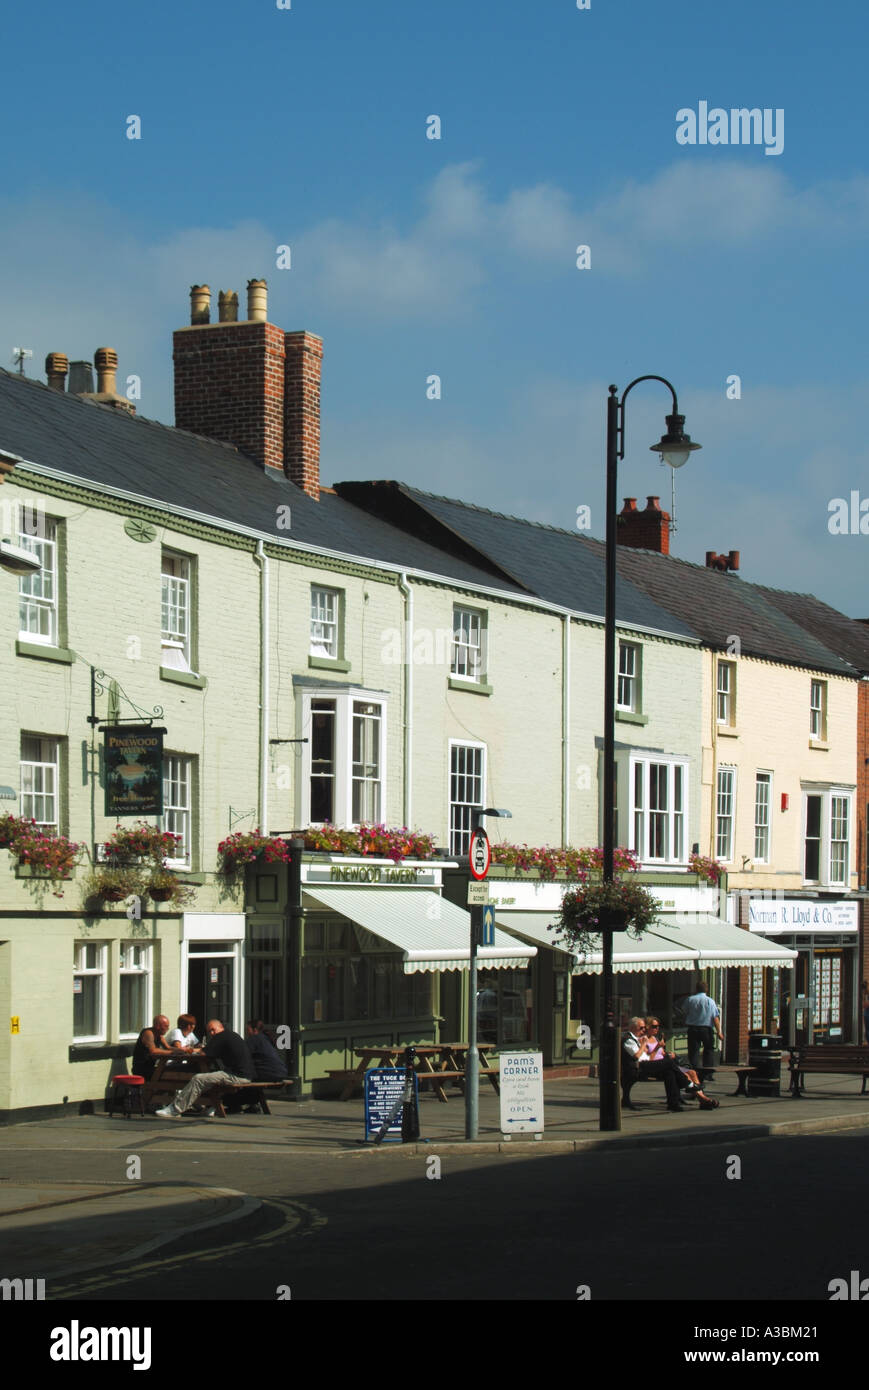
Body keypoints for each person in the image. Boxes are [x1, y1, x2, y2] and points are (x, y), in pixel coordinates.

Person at [155, 1019, 256, 1118]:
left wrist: (191, 1050)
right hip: (245, 1074)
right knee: (209, 1075)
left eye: (213, 1029)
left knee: (198, 1078)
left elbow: (204, 1053)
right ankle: (211, 1107)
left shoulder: (221, 1036)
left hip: (237, 1076)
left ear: (221, 1027)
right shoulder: (231, 1035)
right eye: (209, 1031)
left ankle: (174, 1110)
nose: (212, 1033)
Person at [644, 1016, 719, 1109]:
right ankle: (703, 1099)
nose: (657, 1029)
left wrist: (669, 1054)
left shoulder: (655, 1038)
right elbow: (648, 1059)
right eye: (654, 1026)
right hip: (657, 1066)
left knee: (692, 1072)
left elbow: (662, 1053)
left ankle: (701, 1099)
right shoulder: (644, 1040)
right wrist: (657, 1048)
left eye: (658, 1026)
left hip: (667, 1063)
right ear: (647, 1027)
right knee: (685, 1075)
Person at [623, 1018, 693, 1112]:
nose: (644, 1030)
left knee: (669, 1072)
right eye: (641, 1028)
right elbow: (636, 1056)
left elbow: (647, 1055)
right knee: (669, 1063)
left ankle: (673, 1103)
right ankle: (686, 1083)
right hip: (638, 1067)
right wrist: (644, 1044)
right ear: (632, 1028)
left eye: (644, 1028)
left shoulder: (638, 1039)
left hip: (647, 1063)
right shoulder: (628, 1040)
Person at [682, 981, 724, 1078]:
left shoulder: (690, 1000)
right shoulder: (710, 1001)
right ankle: (708, 1073)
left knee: (694, 1051)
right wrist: (719, 1032)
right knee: (708, 1050)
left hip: (693, 1028)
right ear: (706, 989)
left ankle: (695, 1072)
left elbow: (684, 1012)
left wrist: (686, 1021)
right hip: (706, 1029)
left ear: (696, 989)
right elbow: (715, 1018)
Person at [132, 1015, 172, 1081]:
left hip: (151, 1068)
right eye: (166, 1026)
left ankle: (165, 1090)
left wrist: (182, 1050)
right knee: (169, 1075)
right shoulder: (148, 1033)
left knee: (173, 1071)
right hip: (142, 1070)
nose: (168, 1029)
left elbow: (168, 1047)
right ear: (158, 1026)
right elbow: (153, 1051)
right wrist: (172, 1052)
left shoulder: (159, 1035)